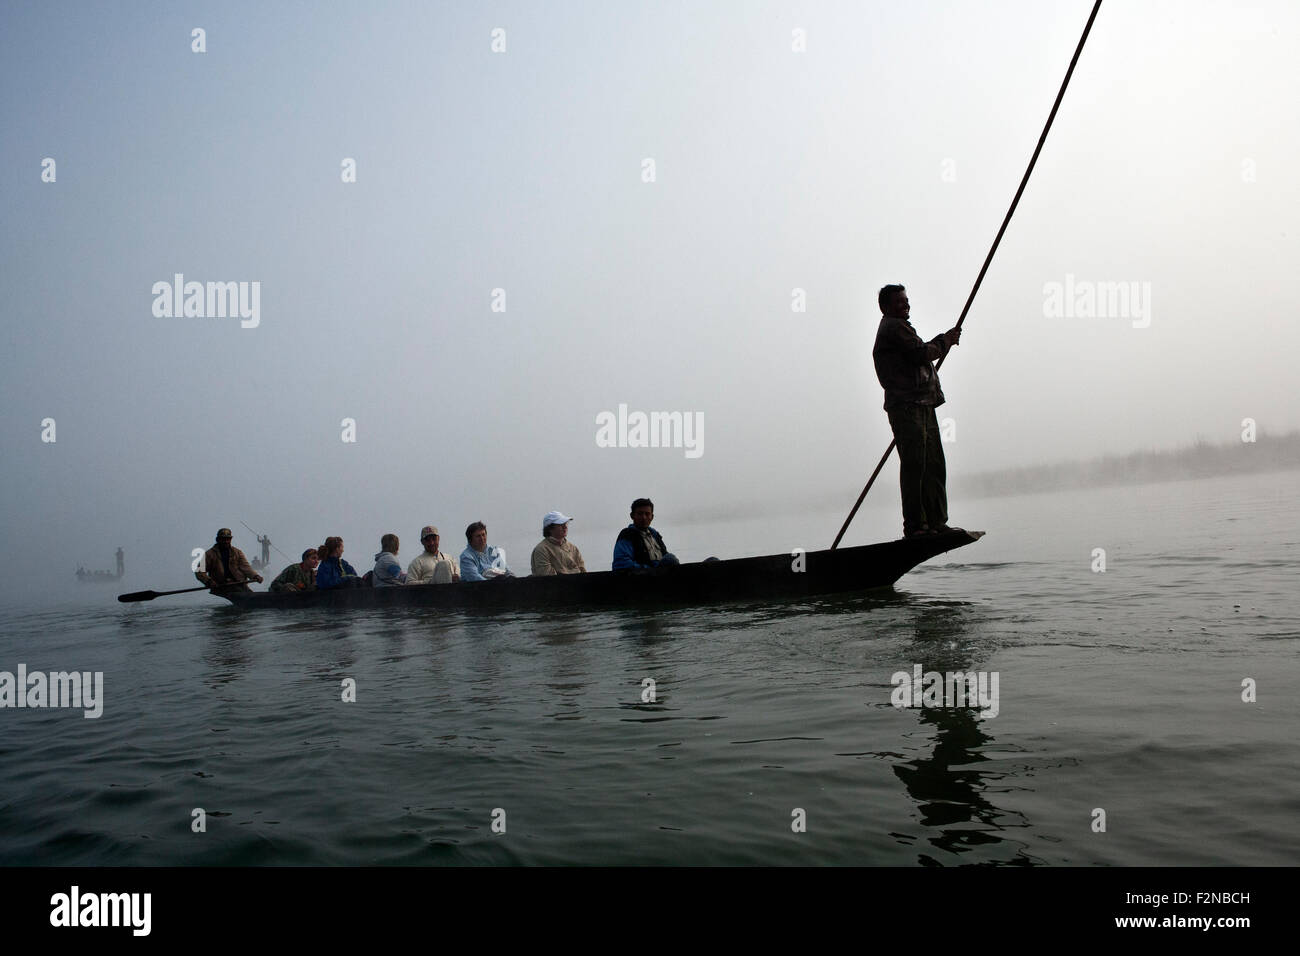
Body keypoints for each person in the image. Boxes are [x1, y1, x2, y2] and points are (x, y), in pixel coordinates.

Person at [872, 284, 961, 537]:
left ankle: (935, 523)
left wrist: (944, 341)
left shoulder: (901, 327)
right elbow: (919, 354)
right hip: (907, 407)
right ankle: (916, 526)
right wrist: (946, 340)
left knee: (933, 464)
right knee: (915, 465)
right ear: (886, 307)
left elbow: (918, 352)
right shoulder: (892, 327)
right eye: (900, 302)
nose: (906, 305)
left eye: (907, 300)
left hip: (922, 404)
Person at [613, 498, 680, 570]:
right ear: (632, 516)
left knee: (670, 558)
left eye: (647, 514)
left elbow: (664, 554)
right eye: (640, 514)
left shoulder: (654, 535)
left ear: (652, 517)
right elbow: (620, 563)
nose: (644, 517)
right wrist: (650, 570)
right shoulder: (627, 535)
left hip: (660, 574)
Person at [195, 528, 263, 590]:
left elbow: (246, 567)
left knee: (250, 596)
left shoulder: (237, 552)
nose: (226, 541)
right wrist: (209, 581)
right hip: (220, 586)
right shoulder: (209, 554)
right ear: (218, 540)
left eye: (228, 539)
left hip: (239, 583)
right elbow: (199, 571)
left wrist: (255, 576)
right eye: (223, 539)